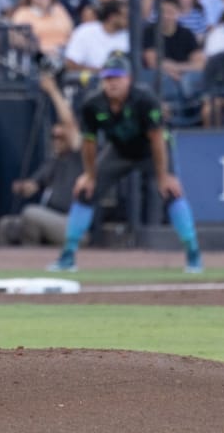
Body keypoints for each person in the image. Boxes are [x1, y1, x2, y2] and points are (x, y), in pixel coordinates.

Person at [47, 52, 201, 274]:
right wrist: (90, 175)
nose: (112, 83)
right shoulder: (93, 104)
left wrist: (163, 176)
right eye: (108, 78)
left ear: (128, 79)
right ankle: (68, 255)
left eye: (117, 77)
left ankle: (193, 253)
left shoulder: (145, 100)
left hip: (151, 151)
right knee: (86, 192)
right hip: (119, 150)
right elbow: (89, 143)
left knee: (171, 191)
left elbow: (157, 139)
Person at [0, 71, 85, 247]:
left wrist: (53, 91)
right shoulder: (54, 161)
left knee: (31, 214)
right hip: (50, 218)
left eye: (61, 137)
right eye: (54, 137)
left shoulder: (80, 155)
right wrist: (23, 187)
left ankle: (33, 259)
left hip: (73, 223)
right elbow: (33, 187)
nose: (56, 140)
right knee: (6, 225)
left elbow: (69, 123)